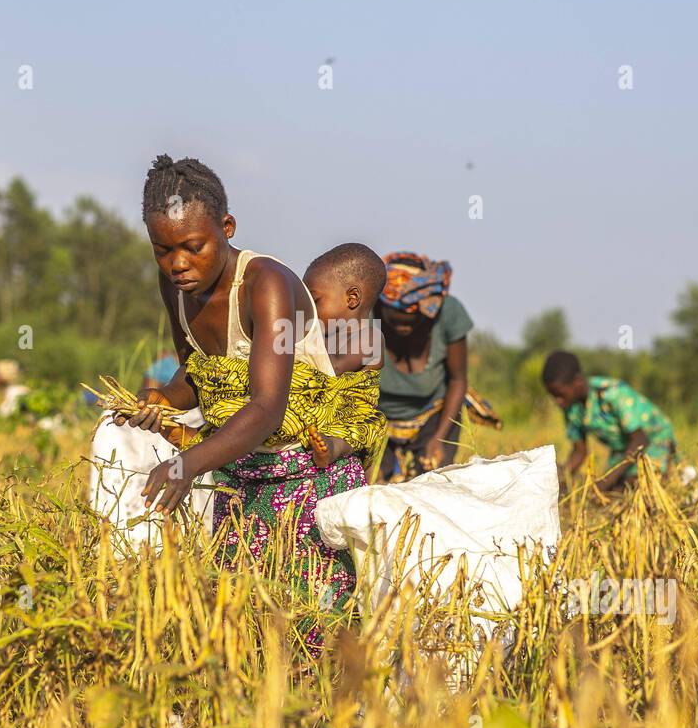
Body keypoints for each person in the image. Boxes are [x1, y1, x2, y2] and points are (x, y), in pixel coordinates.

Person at [118, 154, 382, 655]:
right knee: (242, 636)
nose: (177, 264)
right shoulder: (175, 288)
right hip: (239, 483)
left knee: (310, 640)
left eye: (193, 248)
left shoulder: (269, 286)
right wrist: (157, 402)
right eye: (162, 251)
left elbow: (267, 408)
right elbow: (198, 376)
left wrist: (187, 465)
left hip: (307, 484)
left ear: (227, 227)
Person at [375, 251, 499, 479]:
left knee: (429, 480)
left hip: (432, 417)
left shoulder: (448, 314)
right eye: (394, 319)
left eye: (412, 321)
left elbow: (458, 380)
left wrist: (438, 439)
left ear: (428, 312)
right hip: (377, 419)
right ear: (382, 309)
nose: (403, 328)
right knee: (372, 482)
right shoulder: (368, 317)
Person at [300, 243, 388, 470]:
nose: (307, 311)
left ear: (352, 298)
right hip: (323, 412)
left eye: (315, 301)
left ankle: (331, 449)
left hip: (351, 414)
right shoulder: (324, 337)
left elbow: (333, 368)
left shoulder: (369, 337)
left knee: (360, 428)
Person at [542, 350, 677, 492]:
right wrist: (558, 479)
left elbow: (640, 440)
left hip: (653, 442)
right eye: (553, 396)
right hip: (624, 450)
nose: (557, 401)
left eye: (560, 394)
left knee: (632, 488)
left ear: (578, 381)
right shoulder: (571, 408)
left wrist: (607, 481)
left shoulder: (612, 393)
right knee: (609, 491)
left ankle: (675, 475)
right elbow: (579, 452)